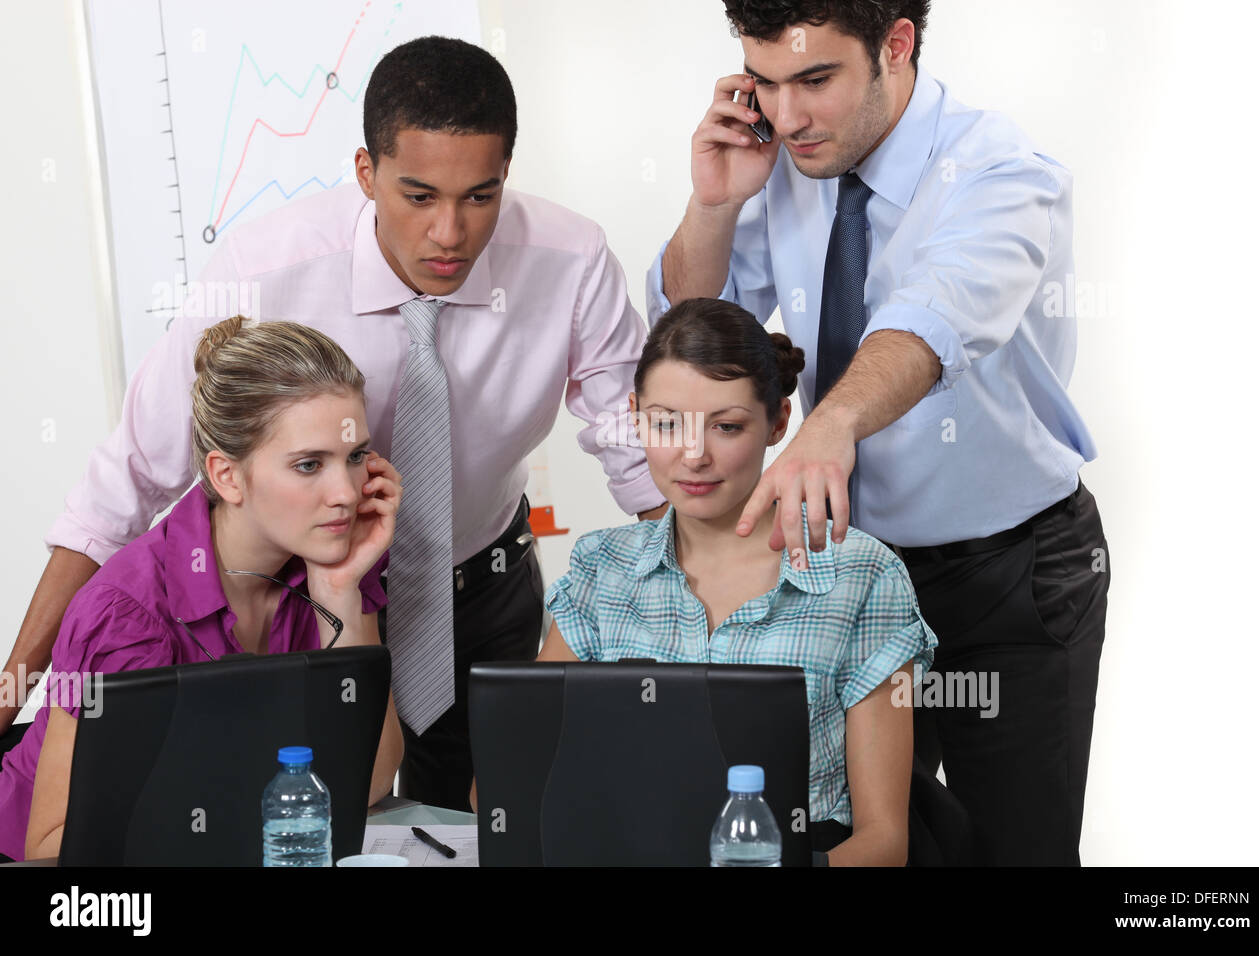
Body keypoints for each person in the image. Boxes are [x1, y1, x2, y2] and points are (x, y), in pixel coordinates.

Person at [0, 36, 667, 813]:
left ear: (506, 175)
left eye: (479, 197)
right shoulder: (265, 267)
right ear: (365, 173)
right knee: (314, 813)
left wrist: (707, 610)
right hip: (310, 602)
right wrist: (14, 685)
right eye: (418, 196)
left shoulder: (570, 257)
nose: (449, 234)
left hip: (484, 589)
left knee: (485, 826)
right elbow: (126, 480)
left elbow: (639, 458)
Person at [649, 1, 1110, 865]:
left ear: (896, 46)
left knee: (1014, 852)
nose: (786, 118)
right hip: (848, 569)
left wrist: (831, 425)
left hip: (1003, 578)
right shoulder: (781, 158)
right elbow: (695, 334)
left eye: (815, 81)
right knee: (848, 837)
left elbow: (931, 319)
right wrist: (713, 207)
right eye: (767, 83)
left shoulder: (1000, 173)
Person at [530, 298, 938, 866]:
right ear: (635, 416)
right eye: (666, 423)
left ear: (777, 422)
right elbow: (516, 782)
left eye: (726, 426)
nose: (693, 456)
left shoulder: (860, 577)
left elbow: (884, 842)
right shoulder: (604, 569)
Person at [0, 316, 404, 861]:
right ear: (227, 476)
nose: (346, 493)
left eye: (355, 456)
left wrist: (339, 595)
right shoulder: (128, 613)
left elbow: (371, 782)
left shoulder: (330, 562)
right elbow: (51, 847)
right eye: (309, 465)